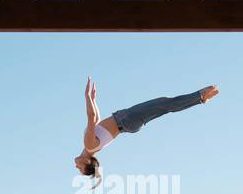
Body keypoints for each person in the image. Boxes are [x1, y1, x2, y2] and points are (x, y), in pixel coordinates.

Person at [75, 78, 219, 185]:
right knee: (165, 104)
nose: (76, 166)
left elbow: (96, 120)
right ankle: (199, 96)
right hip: (127, 119)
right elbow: (91, 116)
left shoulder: (91, 147)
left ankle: (199, 98)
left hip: (128, 123)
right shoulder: (89, 145)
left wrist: (93, 100)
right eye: (80, 168)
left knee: (165, 105)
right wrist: (87, 97)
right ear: (87, 161)